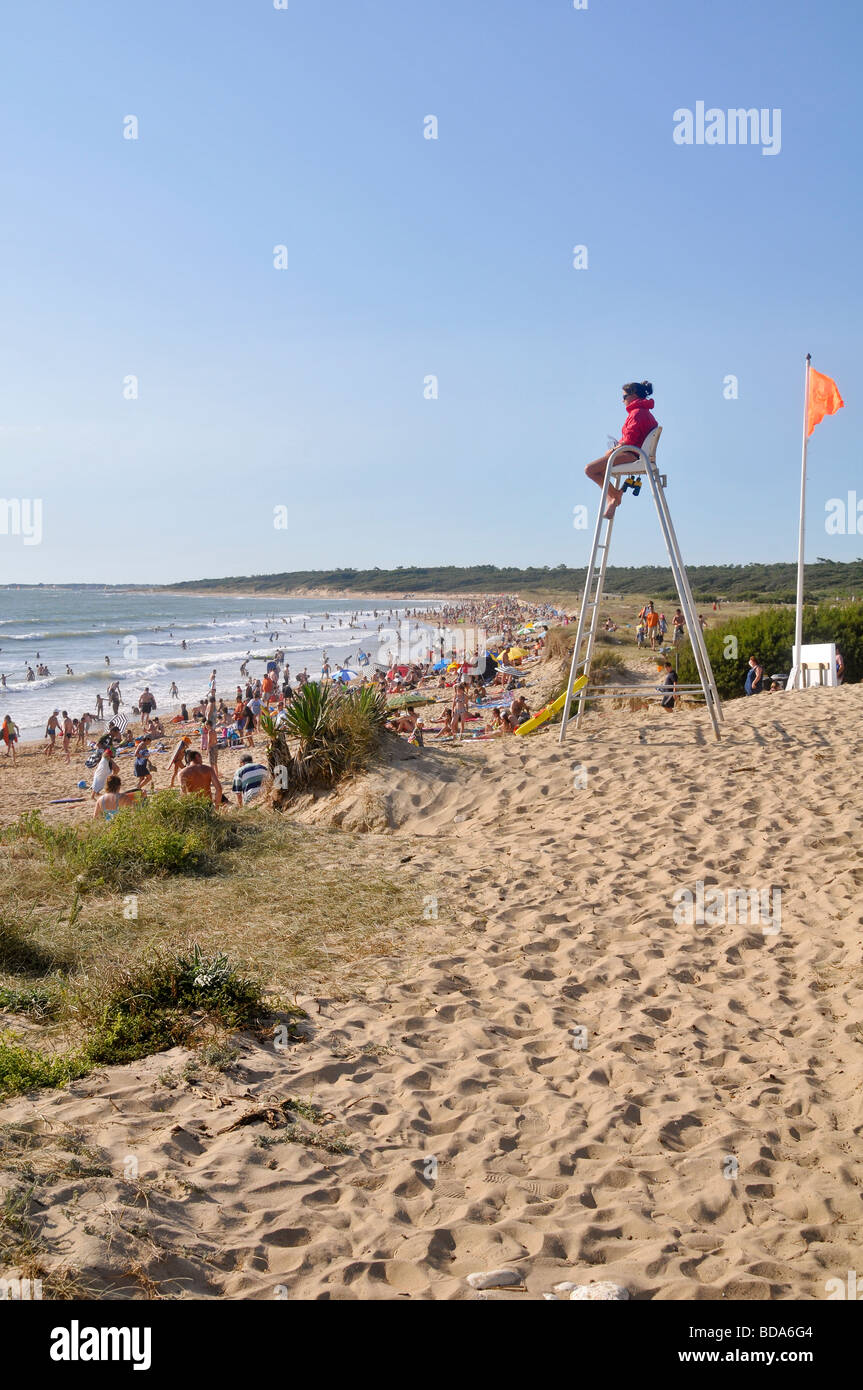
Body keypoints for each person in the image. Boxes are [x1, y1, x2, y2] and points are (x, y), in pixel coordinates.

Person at [585, 381, 658, 520]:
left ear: (634, 395)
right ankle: (613, 497)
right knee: (597, 469)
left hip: (631, 454)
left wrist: (613, 450)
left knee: (590, 469)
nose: (622, 400)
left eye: (624, 397)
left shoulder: (637, 413)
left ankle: (614, 496)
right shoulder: (643, 412)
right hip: (633, 453)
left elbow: (629, 441)